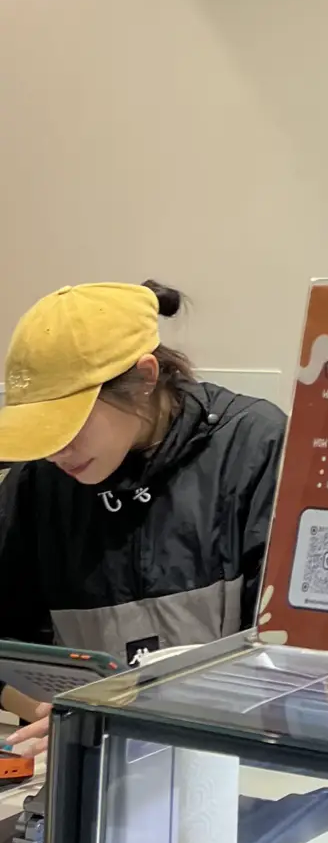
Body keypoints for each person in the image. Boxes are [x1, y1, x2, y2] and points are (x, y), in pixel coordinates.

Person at [0, 280, 286, 758]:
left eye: (70, 424)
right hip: (88, 764)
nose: (56, 451)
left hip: (233, 760)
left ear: (145, 377)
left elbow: (289, 661)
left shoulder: (255, 451)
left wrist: (127, 718)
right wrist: (60, 714)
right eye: (41, 430)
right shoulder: (38, 481)